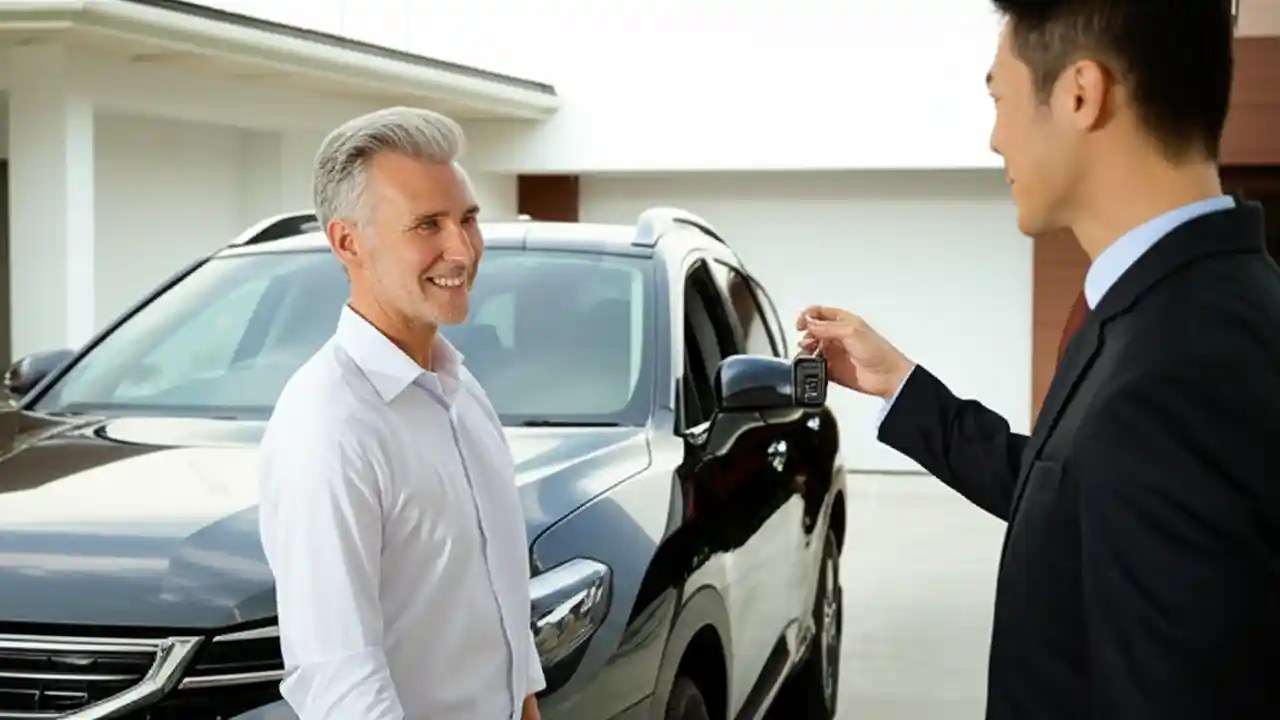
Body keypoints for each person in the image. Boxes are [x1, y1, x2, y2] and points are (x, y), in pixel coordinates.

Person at [797, 1, 1280, 718]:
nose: (994, 138)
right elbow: (1076, 490)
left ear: (1082, 94)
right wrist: (898, 384)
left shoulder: (1176, 374)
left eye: (999, 97)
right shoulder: (1187, 307)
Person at [257, 107, 544, 720]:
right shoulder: (328, 426)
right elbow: (339, 681)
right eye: (427, 225)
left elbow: (497, 605)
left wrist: (524, 699)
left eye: (467, 219)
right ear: (347, 241)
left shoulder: (461, 392)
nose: (461, 250)